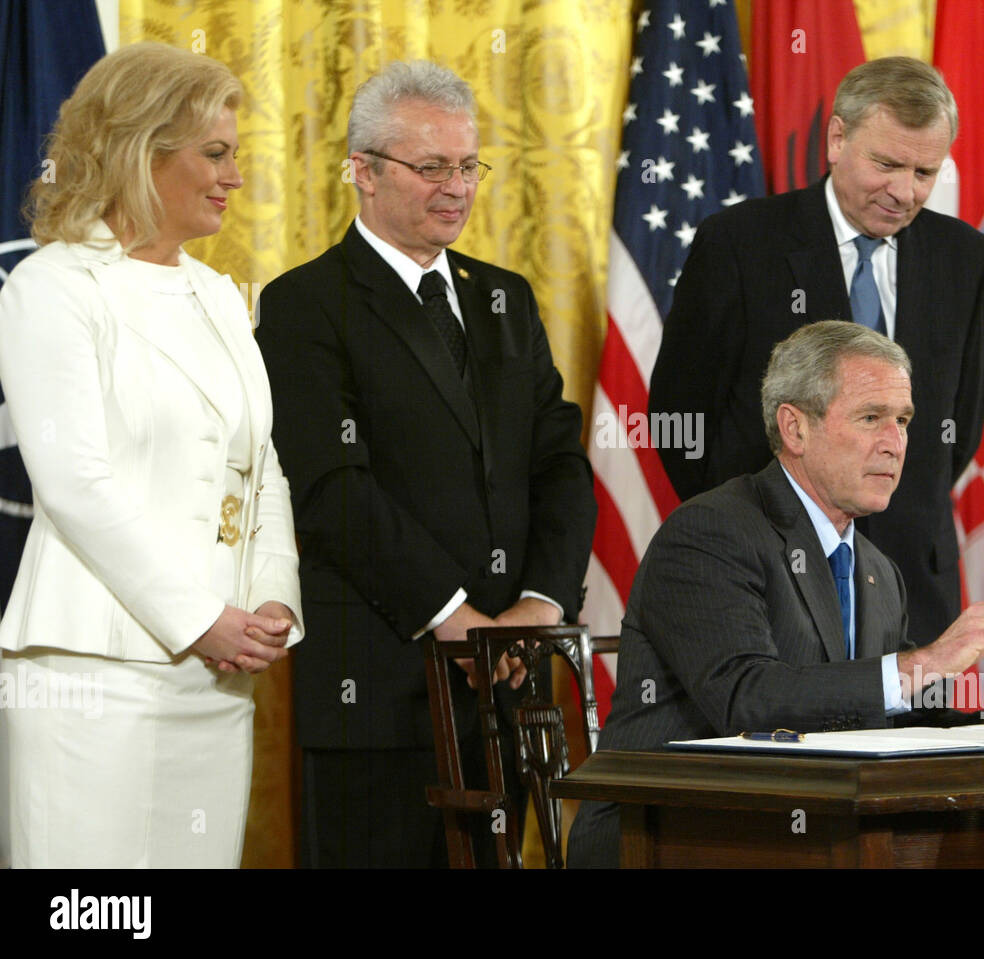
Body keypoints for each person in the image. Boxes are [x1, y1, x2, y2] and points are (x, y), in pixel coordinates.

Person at [568, 322, 984, 867]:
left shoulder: (876, 569)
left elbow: (889, 714)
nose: (894, 442)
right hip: (667, 834)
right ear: (795, 428)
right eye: (871, 417)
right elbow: (745, 699)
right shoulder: (711, 532)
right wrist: (920, 662)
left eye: (902, 421)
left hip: (812, 833)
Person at [256, 60, 596, 868]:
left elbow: (560, 463)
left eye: (469, 164)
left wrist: (538, 605)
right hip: (380, 690)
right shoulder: (306, 303)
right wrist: (453, 616)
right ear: (363, 173)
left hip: (508, 677)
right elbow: (332, 488)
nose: (457, 187)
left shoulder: (504, 296)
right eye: (431, 166)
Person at [0, 43, 303, 868]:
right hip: (92, 673)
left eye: (233, 154)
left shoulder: (214, 292)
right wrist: (202, 618)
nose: (234, 176)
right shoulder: (53, 286)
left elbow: (262, 462)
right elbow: (73, 482)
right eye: (214, 153)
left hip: (213, 681)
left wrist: (270, 595)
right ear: (140, 149)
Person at [649, 56, 984, 650]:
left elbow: (954, 431)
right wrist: (754, 528)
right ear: (837, 138)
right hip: (767, 577)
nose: (903, 191)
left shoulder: (967, 259)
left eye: (924, 172)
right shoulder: (739, 244)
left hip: (915, 578)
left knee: (927, 744)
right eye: (885, 164)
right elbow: (679, 416)